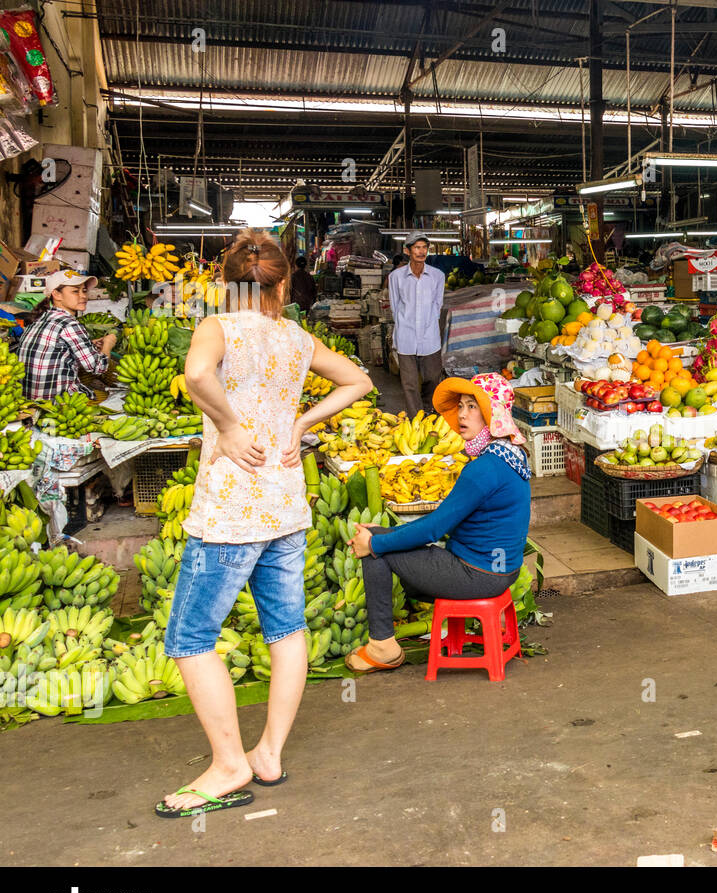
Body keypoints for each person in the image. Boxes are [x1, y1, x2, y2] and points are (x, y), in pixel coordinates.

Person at [155, 229, 373, 819]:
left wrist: (228, 426)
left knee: (190, 639)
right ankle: (269, 753)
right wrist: (300, 424)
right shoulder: (297, 338)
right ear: (282, 284)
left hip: (230, 511)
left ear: (227, 283)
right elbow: (359, 381)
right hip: (285, 504)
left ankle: (230, 764)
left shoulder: (218, 327)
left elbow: (196, 375)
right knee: (287, 630)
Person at [344, 372, 531, 672]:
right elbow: (443, 523)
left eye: (472, 407)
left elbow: (434, 528)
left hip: (478, 575)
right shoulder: (510, 455)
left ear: (492, 415)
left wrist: (376, 543)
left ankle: (383, 647)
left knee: (375, 552)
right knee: (380, 537)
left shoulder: (484, 469)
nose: (462, 414)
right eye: (461, 406)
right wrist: (384, 534)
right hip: (501, 571)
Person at [17, 271, 115, 401]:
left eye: (84, 291)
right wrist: (108, 344)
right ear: (56, 294)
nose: (83, 296)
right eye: (75, 291)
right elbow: (99, 368)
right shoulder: (69, 323)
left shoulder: (39, 318)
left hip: (28, 400)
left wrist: (89, 344)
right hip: (58, 403)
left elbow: (56, 349)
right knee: (110, 397)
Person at [388, 233, 446, 416]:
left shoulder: (437, 276)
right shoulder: (396, 277)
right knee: (410, 384)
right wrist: (403, 326)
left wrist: (430, 321)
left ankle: (429, 412)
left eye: (424, 247)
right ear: (407, 251)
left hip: (430, 337)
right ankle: (416, 419)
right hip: (406, 337)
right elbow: (395, 306)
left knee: (433, 378)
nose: (421, 251)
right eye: (417, 247)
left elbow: (437, 304)